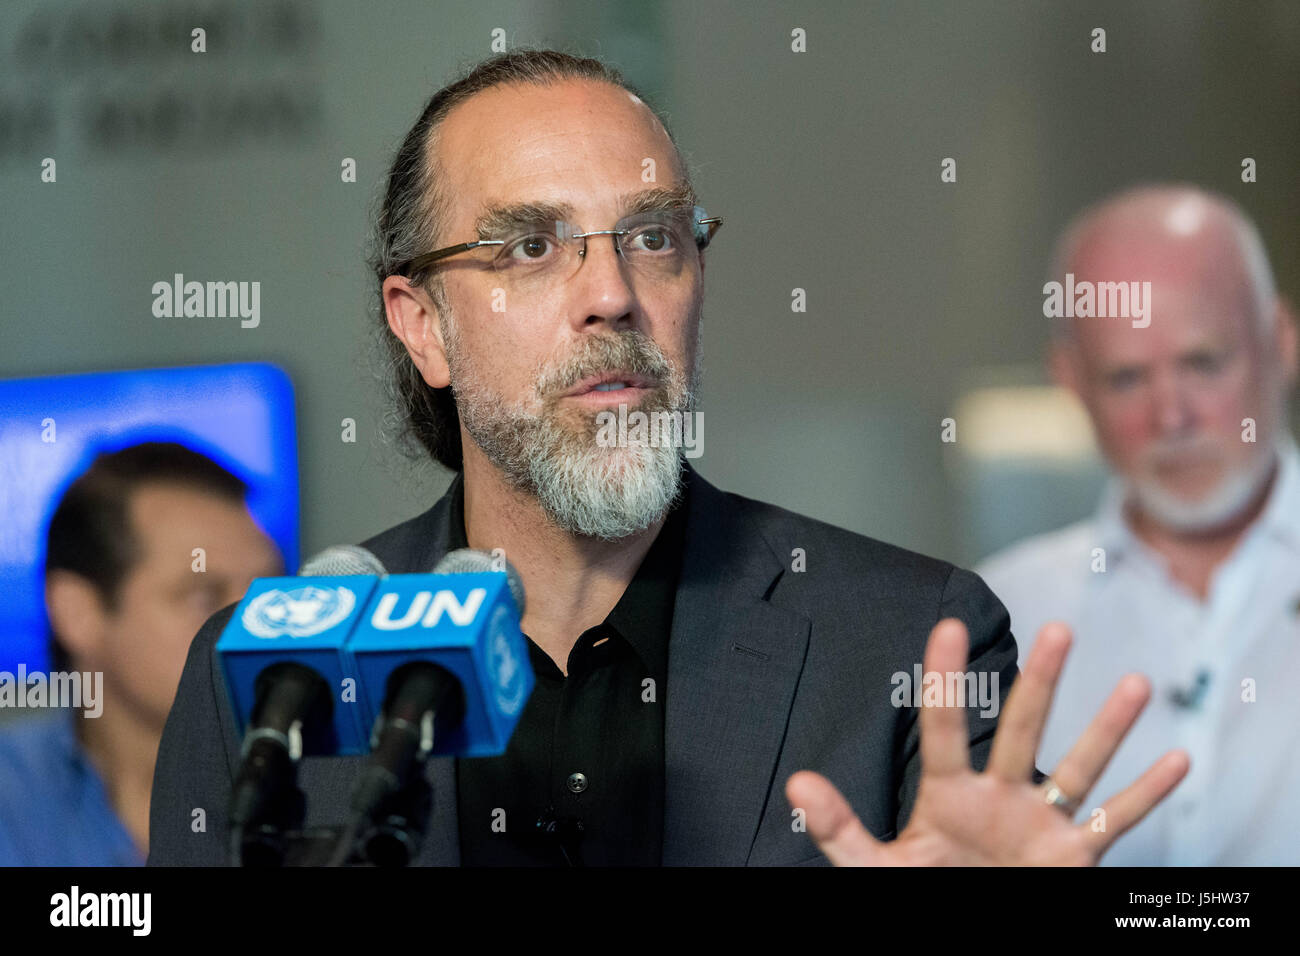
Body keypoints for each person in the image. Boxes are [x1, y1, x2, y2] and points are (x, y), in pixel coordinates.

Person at [148, 49, 1186, 867]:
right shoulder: (263, 671)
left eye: (652, 237)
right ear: (421, 326)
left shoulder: (902, 646)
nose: (612, 294)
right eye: (529, 246)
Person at [977, 185, 1299, 864]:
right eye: (1126, 378)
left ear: (1283, 342)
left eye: (1203, 362)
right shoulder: (1000, 612)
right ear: (1070, 380)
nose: (1171, 418)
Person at [0, 441, 283, 865]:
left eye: (269, 594)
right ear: (77, 612)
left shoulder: (334, 788)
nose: (256, 627)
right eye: (206, 597)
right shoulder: (12, 804)